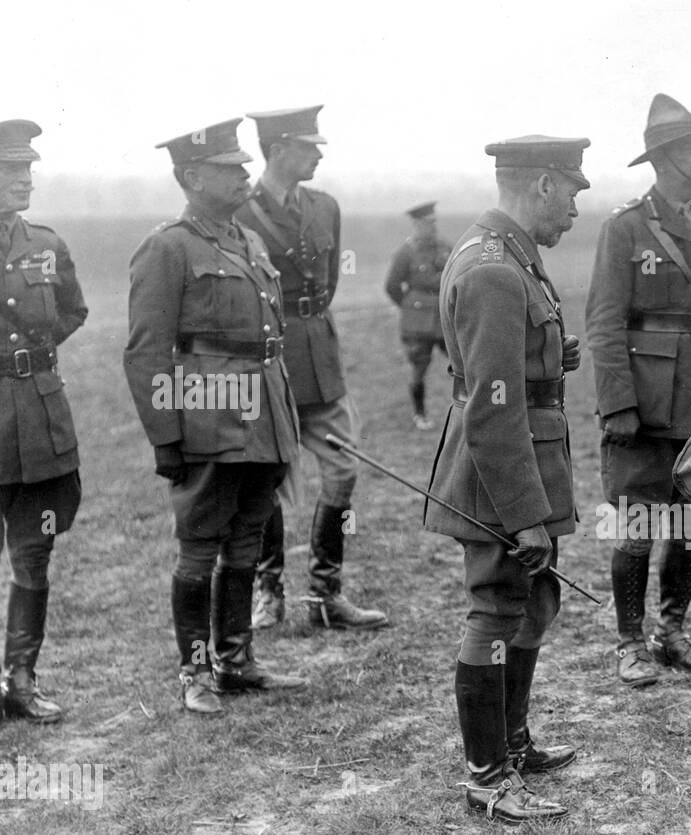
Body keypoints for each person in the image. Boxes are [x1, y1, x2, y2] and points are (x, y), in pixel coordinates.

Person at [426, 135, 589, 824]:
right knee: (496, 608)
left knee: (532, 602)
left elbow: (502, 365)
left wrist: (551, 359)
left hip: (522, 461)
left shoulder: (511, 255)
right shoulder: (495, 267)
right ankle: (488, 777)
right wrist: (523, 513)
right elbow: (492, 410)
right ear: (545, 185)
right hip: (503, 472)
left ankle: (512, 744)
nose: (578, 209)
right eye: (574, 192)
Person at [124, 119, 306, 714]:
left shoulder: (247, 241)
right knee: (200, 544)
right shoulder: (168, 247)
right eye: (230, 168)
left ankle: (237, 660)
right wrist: (166, 437)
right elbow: (146, 352)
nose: (244, 174)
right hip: (208, 414)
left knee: (249, 534)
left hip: (264, 413)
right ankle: (196, 674)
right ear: (192, 177)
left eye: (242, 165)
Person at [586, 94, 691, 687]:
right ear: (659, 158)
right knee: (636, 522)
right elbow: (603, 323)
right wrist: (619, 404)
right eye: (688, 148)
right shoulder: (625, 227)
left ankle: (671, 632)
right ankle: (629, 641)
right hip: (648, 400)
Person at [237, 106, 388, 632]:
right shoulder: (237, 212)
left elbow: (327, 287)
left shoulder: (326, 207)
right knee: (264, 480)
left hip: (319, 359)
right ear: (279, 150)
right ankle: (268, 590)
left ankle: (326, 594)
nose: (319, 153)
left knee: (343, 470)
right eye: (309, 145)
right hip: (265, 365)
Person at [0, 120, 87, 723]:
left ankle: (21, 680)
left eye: (29, 169)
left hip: (38, 419)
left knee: (34, 555)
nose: (25, 180)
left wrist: (27, 360)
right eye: (12, 171)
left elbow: (75, 311)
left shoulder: (47, 245)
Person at [384, 201, 451, 429]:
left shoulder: (445, 247)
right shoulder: (406, 252)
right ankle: (420, 414)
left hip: (444, 318)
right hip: (418, 322)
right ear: (416, 225)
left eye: (434, 223)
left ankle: (466, 410)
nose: (432, 227)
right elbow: (392, 285)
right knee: (418, 369)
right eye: (426, 223)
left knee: (459, 363)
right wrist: (409, 306)